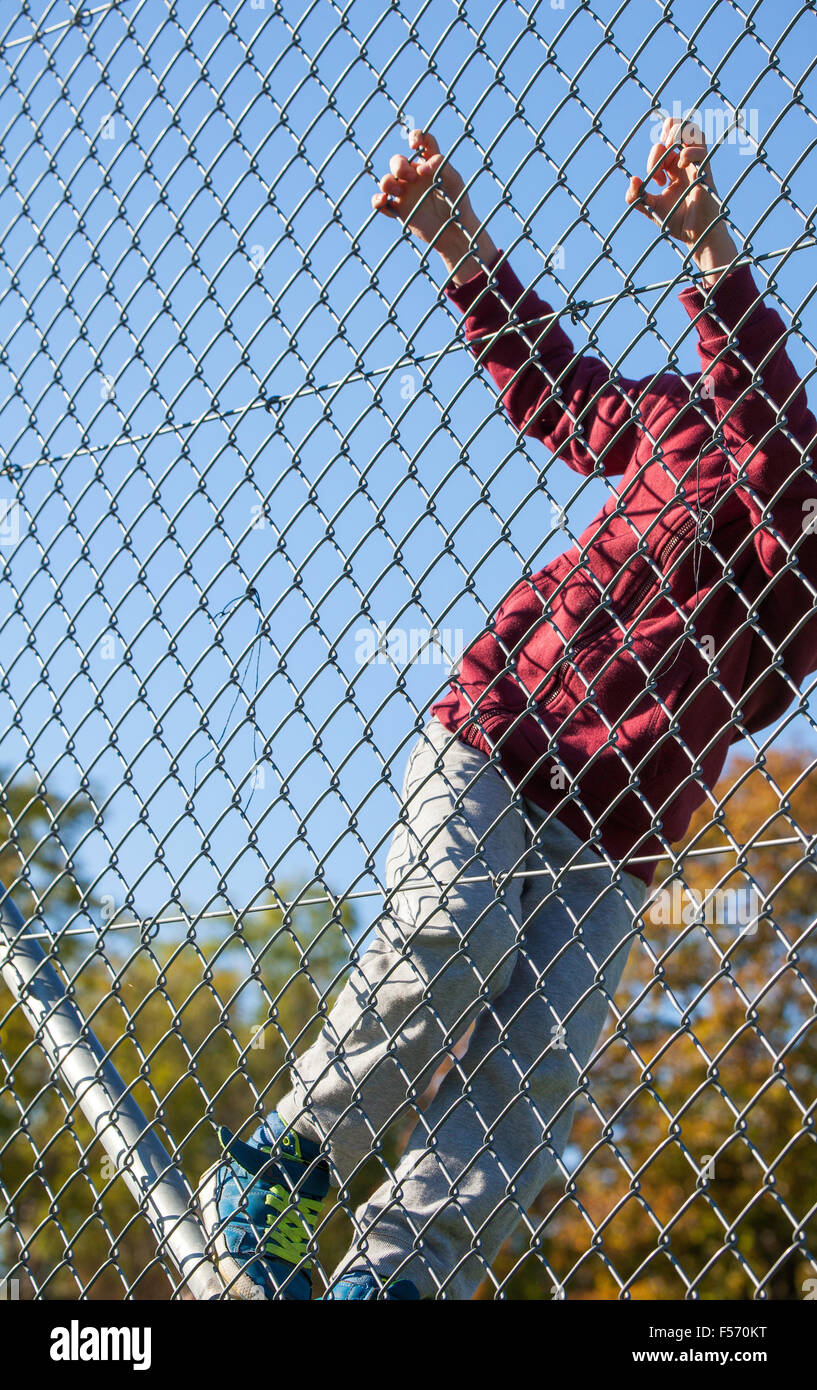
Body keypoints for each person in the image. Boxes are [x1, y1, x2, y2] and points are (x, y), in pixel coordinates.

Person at [200, 117, 817, 1299]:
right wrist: (458, 235)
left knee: (528, 1085)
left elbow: (780, 467)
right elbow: (555, 383)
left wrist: (721, 279)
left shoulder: (801, 552)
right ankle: (287, 1164)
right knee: (449, 945)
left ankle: (393, 1280)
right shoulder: (680, 419)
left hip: (620, 830)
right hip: (504, 726)